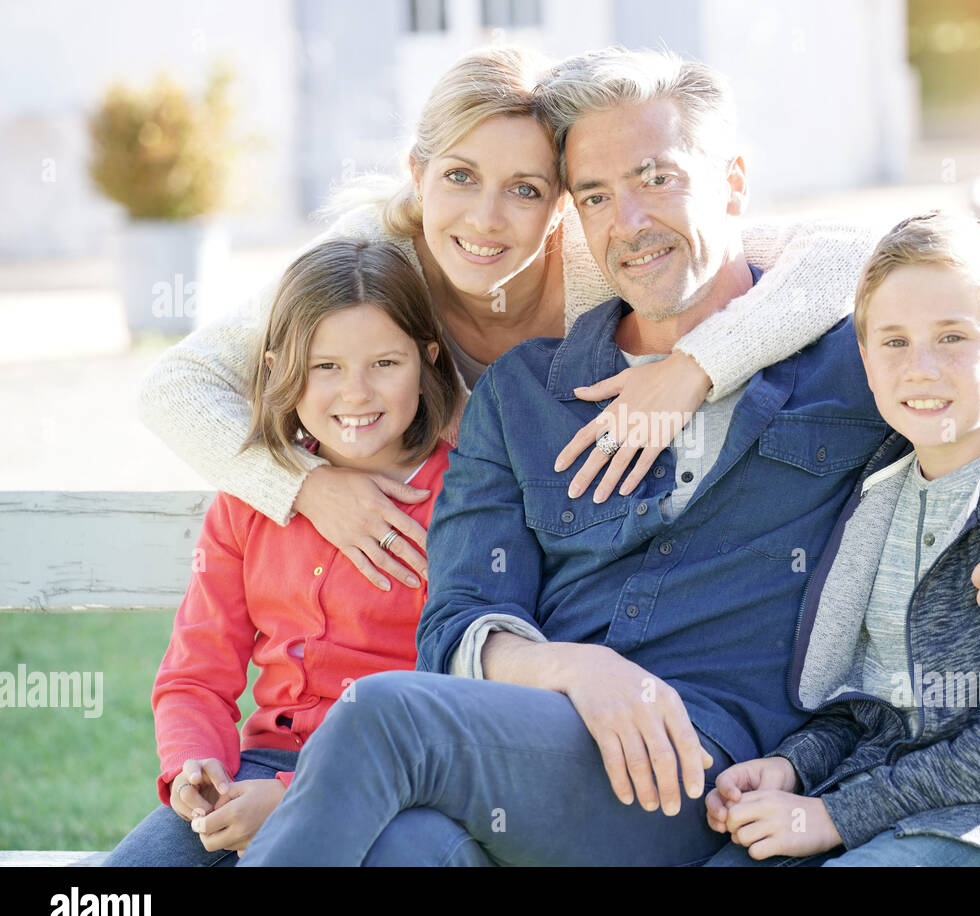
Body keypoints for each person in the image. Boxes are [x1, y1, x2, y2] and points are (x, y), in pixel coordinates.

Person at [237, 48, 980, 867]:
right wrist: (573, 670)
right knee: (412, 849)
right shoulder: (525, 395)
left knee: (382, 718)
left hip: (714, 774)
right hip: (544, 759)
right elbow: (455, 622)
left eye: (655, 179)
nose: (628, 223)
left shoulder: (865, 353)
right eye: (595, 196)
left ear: (735, 184)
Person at [136, 46, 879, 594]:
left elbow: (846, 255)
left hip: (575, 570)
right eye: (460, 176)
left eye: (524, 190)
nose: (484, 220)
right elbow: (177, 384)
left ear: (561, 203)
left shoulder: (604, 247)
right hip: (434, 574)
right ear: (417, 174)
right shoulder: (373, 255)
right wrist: (306, 485)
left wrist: (695, 367)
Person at [706, 211, 980, 867]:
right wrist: (793, 769)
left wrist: (831, 814)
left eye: (952, 337)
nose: (920, 367)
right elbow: (882, 709)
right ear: (865, 357)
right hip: (901, 810)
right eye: (894, 341)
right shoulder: (885, 488)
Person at [104, 239, 459, 865]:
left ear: (428, 359)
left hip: (400, 790)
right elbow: (197, 672)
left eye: (384, 363)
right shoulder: (250, 499)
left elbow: (454, 705)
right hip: (256, 771)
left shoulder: (460, 499)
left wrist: (296, 798)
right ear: (278, 369)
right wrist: (196, 770)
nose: (355, 394)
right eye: (325, 367)